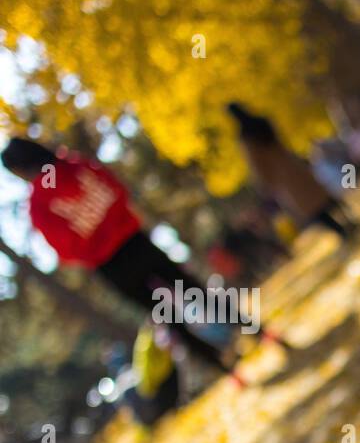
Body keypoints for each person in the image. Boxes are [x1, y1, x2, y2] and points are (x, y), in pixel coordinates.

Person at [0, 138, 240, 378]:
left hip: (110, 264)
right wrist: (115, 222)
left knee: (165, 314)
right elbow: (116, 188)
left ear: (19, 170)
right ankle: (251, 328)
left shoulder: (39, 203)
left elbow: (65, 249)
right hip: (134, 240)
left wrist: (94, 245)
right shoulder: (74, 164)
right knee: (189, 286)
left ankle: (222, 366)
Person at [227, 103, 353, 238]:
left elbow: (257, 164)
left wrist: (265, 183)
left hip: (281, 177)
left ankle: (340, 230)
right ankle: (348, 218)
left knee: (310, 208)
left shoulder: (247, 140)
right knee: (321, 196)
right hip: (292, 163)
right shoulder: (262, 121)